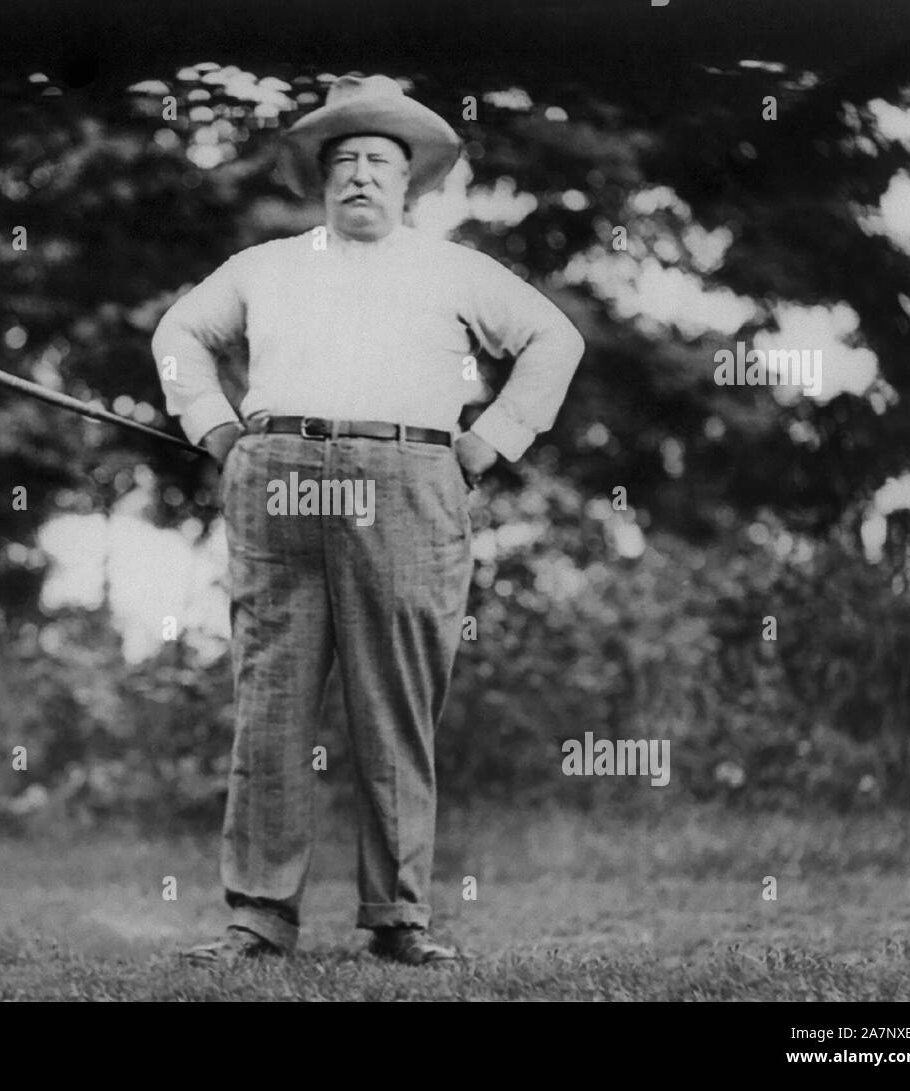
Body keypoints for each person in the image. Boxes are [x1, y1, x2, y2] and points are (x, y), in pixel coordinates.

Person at [152, 73, 585, 965]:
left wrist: (492, 439)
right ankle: (258, 918)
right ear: (319, 176)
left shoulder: (455, 268)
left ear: (410, 181)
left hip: (409, 480)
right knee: (270, 699)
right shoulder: (265, 266)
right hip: (278, 479)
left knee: (395, 704)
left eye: (379, 163)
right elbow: (177, 335)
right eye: (343, 160)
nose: (360, 176)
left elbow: (556, 340)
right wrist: (218, 430)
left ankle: (398, 918)